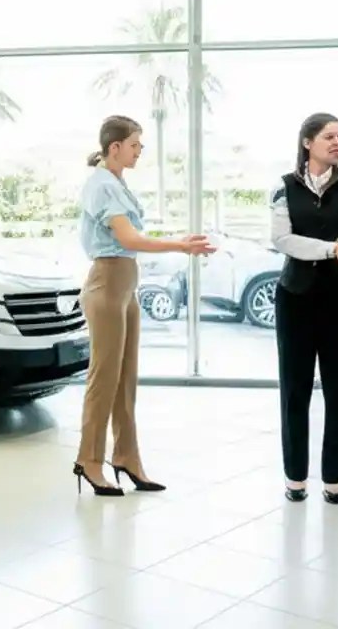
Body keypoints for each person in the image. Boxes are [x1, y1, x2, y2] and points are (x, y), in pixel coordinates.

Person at [74, 115, 214, 496]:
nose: (139, 151)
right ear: (114, 146)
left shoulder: (117, 183)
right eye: (135, 144)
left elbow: (132, 240)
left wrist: (180, 241)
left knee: (125, 378)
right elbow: (129, 238)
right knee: (103, 378)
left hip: (125, 286)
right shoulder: (101, 185)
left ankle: (126, 456)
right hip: (106, 283)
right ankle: (89, 460)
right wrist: (181, 245)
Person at [269, 112, 338, 504]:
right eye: (329, 136)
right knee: (294, 391)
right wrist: (333, 249)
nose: (337, 143)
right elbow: (283, 240)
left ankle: (335, 480)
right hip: (294, 301)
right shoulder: (284, 189)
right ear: (307, 142)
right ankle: (295, 478)